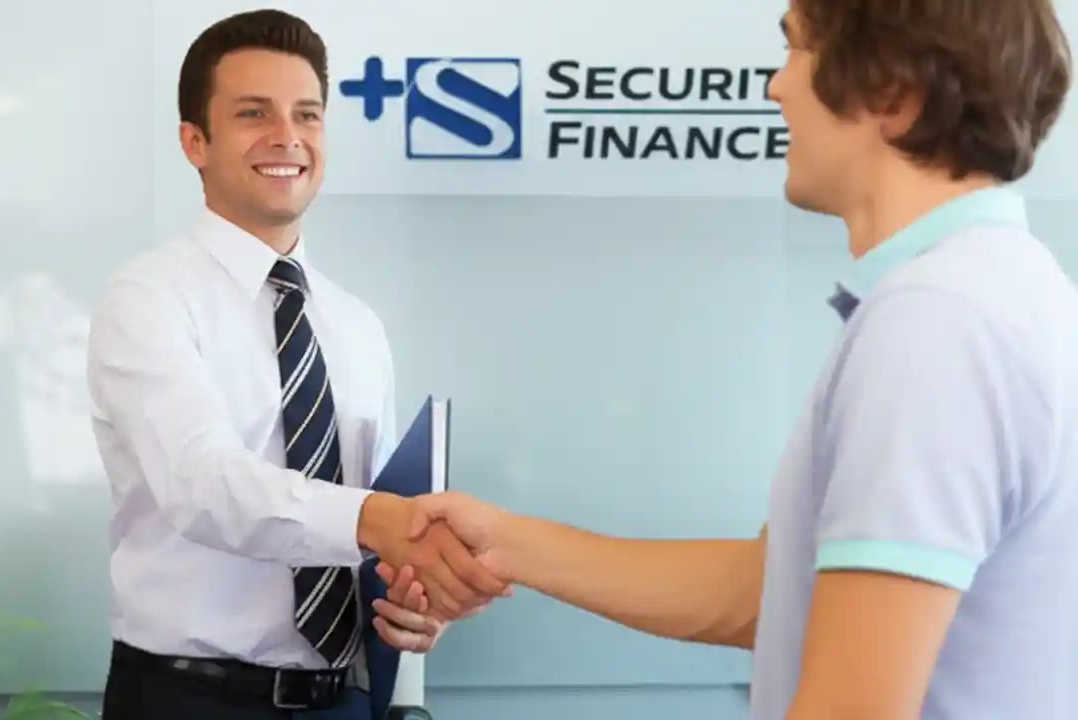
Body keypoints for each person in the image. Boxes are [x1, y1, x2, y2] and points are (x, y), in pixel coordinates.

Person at [397, 1, 1078, 718]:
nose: (774, 88)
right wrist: (505, 543)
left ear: (893, 95)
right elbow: (772, 589)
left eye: (797, 51)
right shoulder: (1000, 291)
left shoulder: (936, 325)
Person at [86, 9, 504, 719]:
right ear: (195, 141)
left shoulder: (356, 326)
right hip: (190, 699)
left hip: (342, 699)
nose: (287, 137)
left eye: (306, 115)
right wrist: (380, 521)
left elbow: (374, 529)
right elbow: (204, 486)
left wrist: (412, 599)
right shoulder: (147, 298)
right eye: (254, 114)